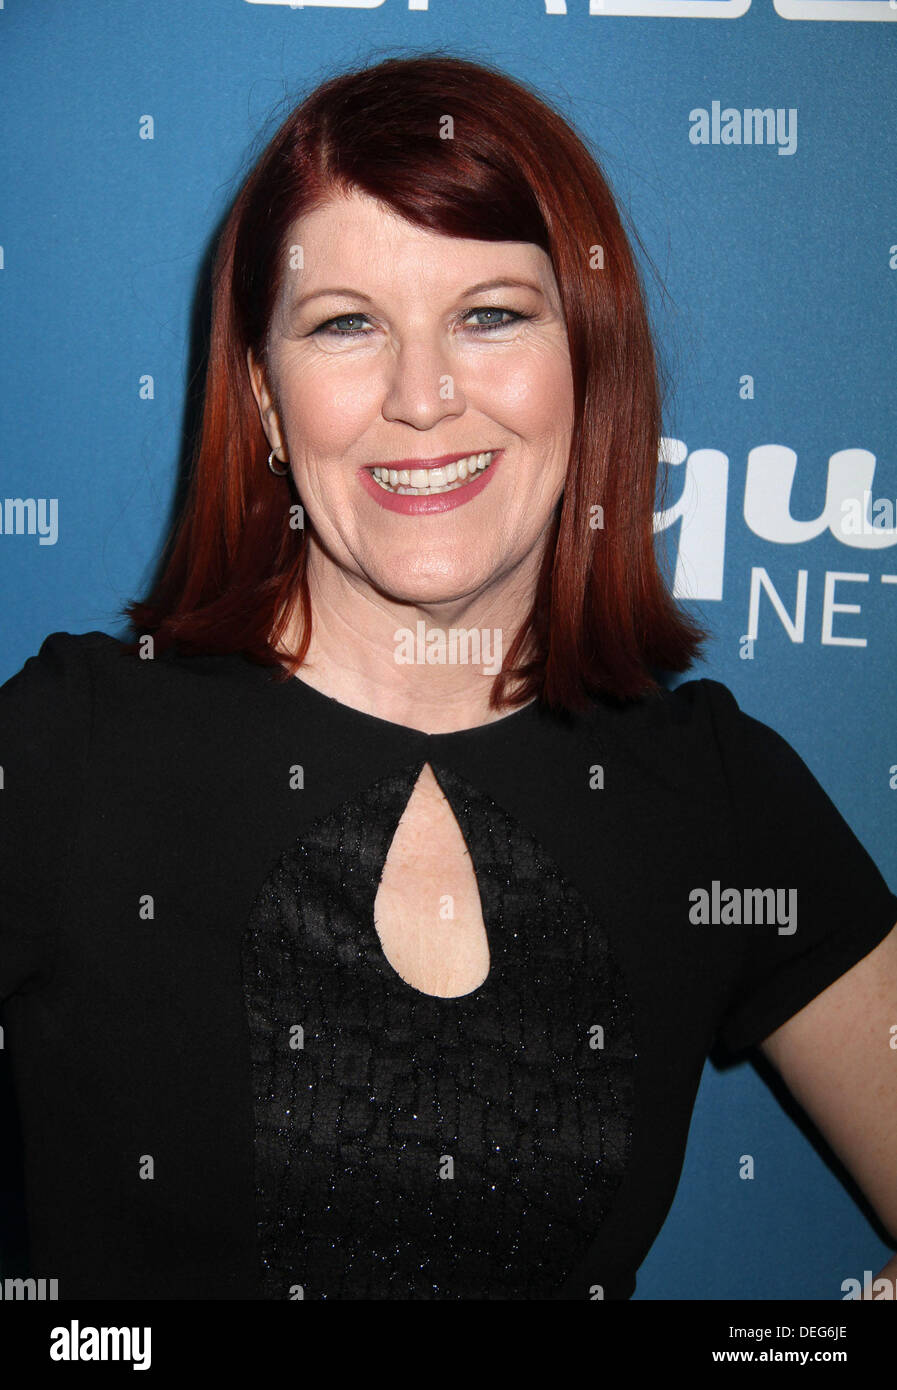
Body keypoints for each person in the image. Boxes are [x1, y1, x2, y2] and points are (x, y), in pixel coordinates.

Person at [1, 51, 895, 1302]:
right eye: (346, 324)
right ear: (262, 398)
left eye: (490, 314)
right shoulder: (69, 748)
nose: (422, 398)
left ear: (589, 369)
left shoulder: (712, 791)